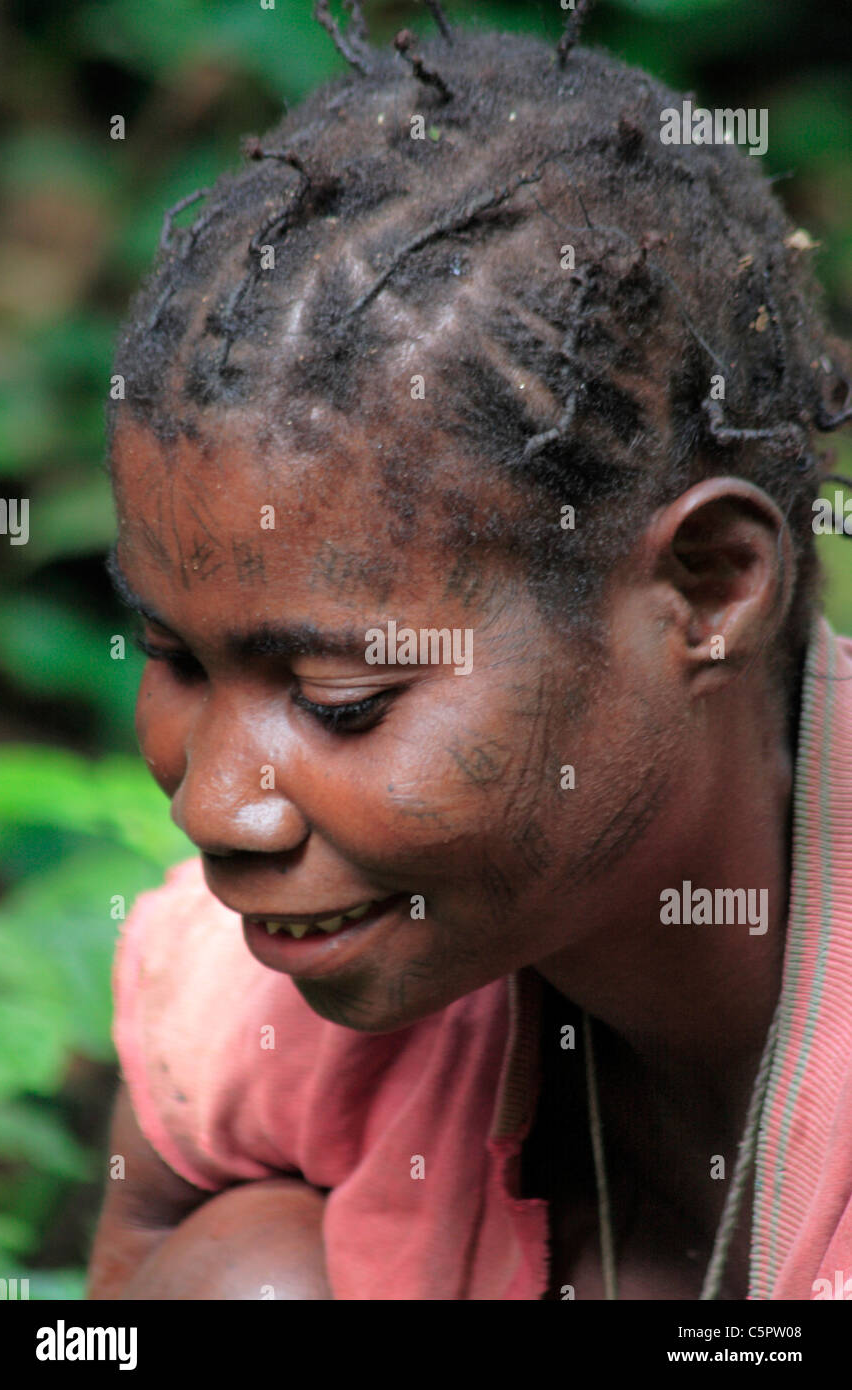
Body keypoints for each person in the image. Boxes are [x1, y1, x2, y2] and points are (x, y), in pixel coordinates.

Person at [86, 5, 852, 1300]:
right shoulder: (270, 998)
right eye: (176, 657)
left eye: (342, 697)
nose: (215, 806)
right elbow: (150, 1238)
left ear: (707, 586)